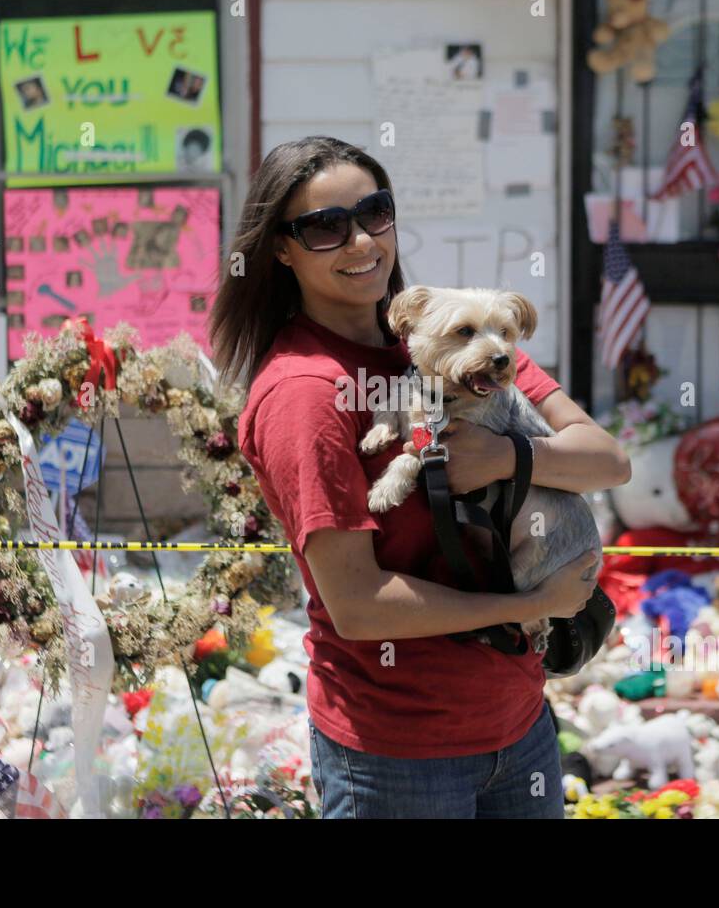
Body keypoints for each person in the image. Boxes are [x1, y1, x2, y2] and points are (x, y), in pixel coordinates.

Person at [212, 136, 631, 819]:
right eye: (325, 226)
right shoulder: (305, 391)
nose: (360, 241)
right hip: (399, 758)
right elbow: (359, 604)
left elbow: (607, 460)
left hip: (520, 728)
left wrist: (508, 458)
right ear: (282, 249)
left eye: (375, 212)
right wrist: (530, 606)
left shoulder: (462, 339)